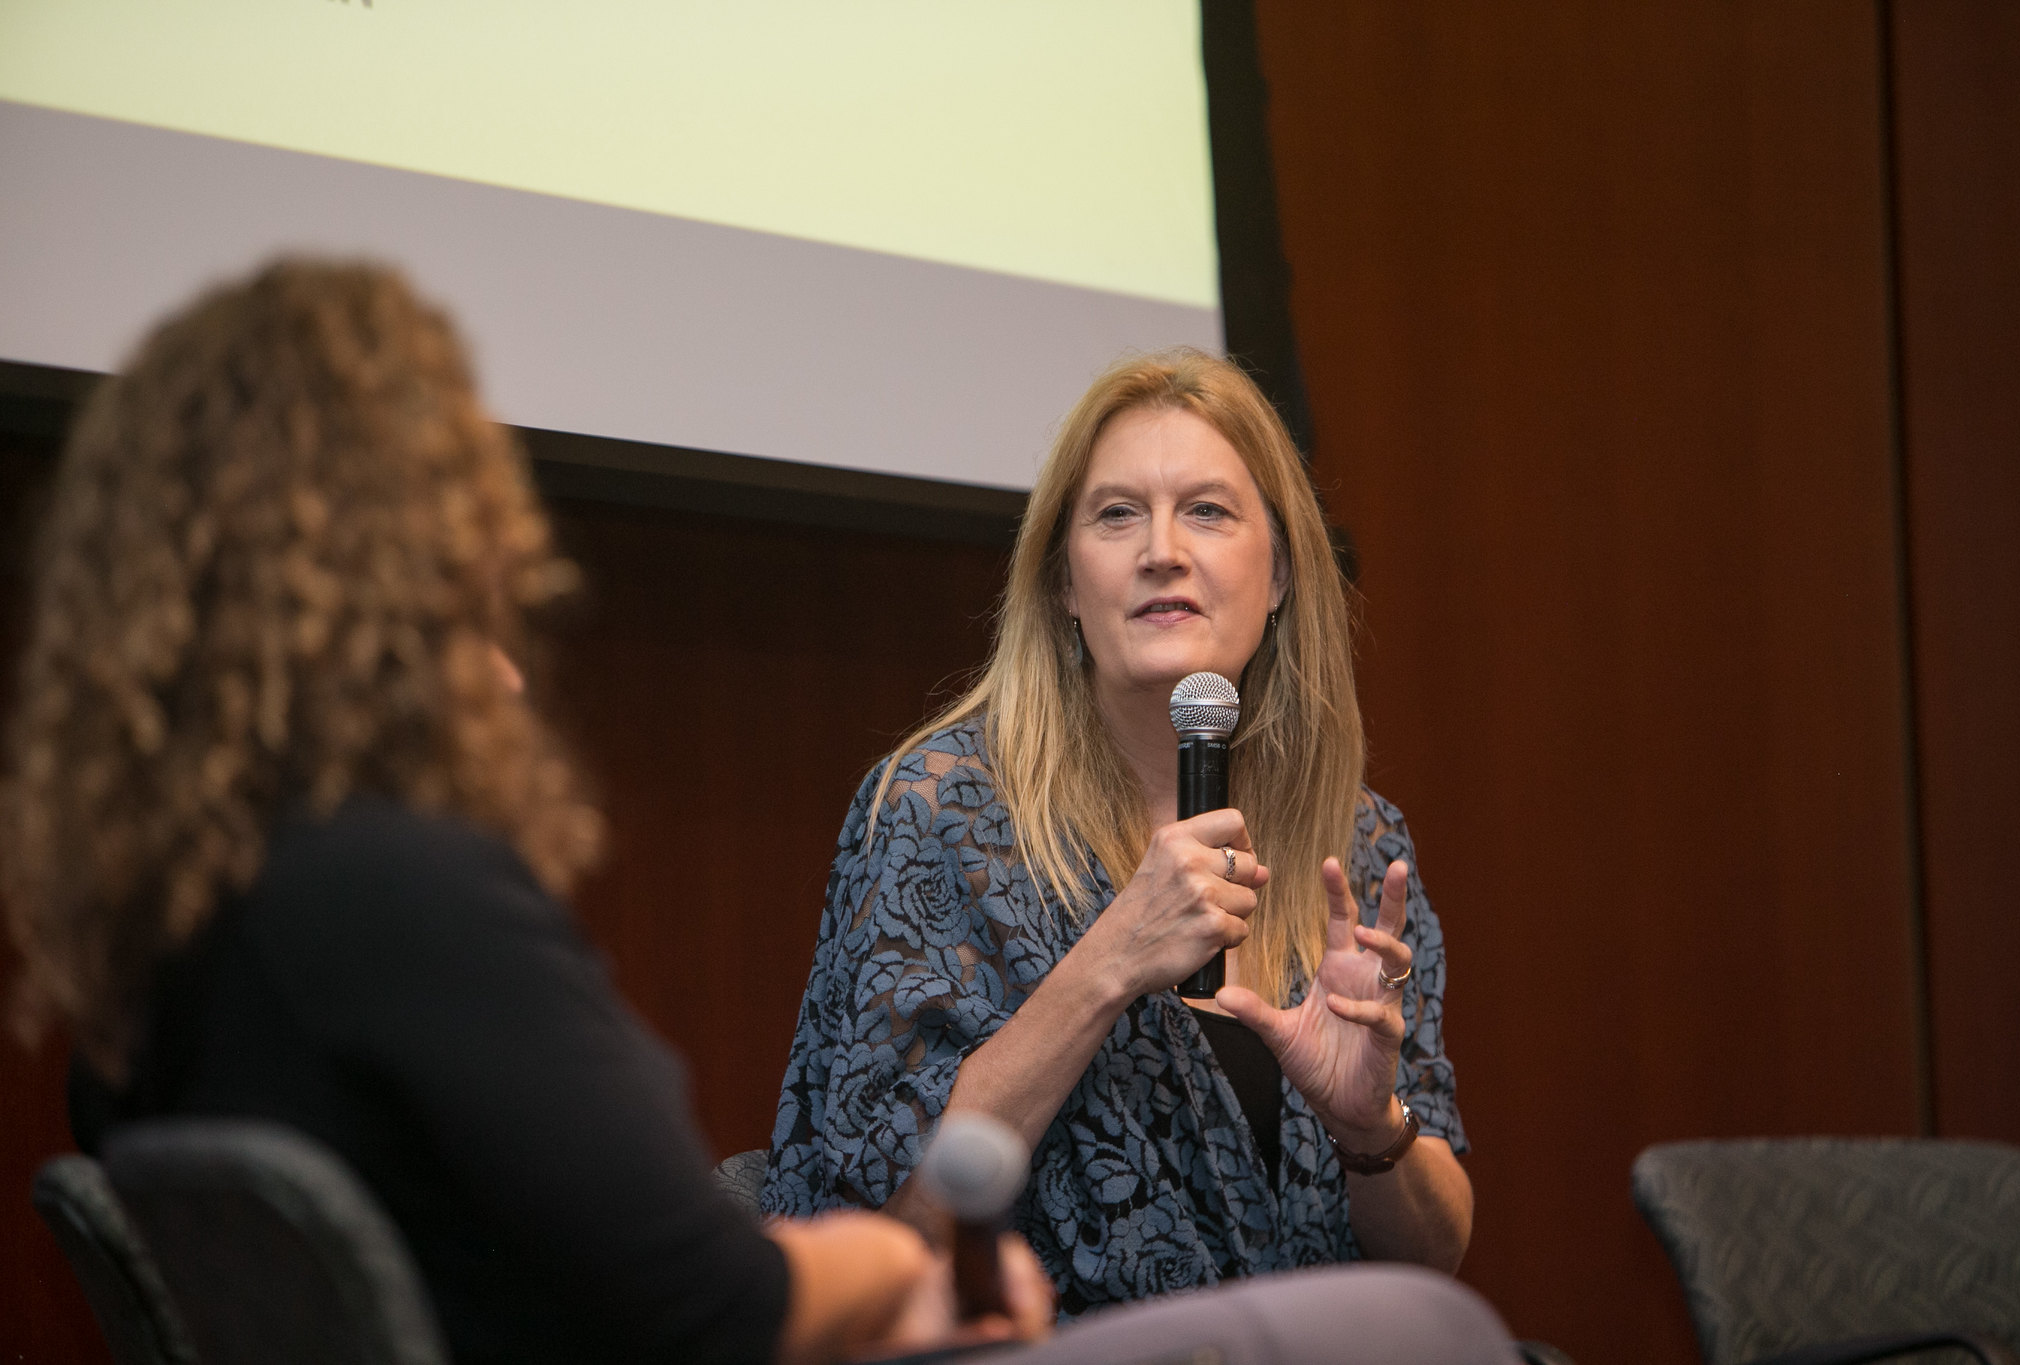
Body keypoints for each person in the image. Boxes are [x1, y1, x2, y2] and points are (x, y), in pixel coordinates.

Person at [0, 260, 1051, 1365]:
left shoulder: (159, 952)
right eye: (468, 610)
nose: (504, 673)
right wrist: (901, 1263)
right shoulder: (401, 894)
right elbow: (724, 1314)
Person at [762, 349, 1474, 1316]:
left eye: (1208, 511)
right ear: (1064, 581)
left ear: (1279, 574)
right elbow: (886, 1219)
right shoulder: (939, 814)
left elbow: (1435, 1253)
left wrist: (1369, 1127)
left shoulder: (1358, 841)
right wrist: (1108, 962)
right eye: (1117, 514)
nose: (1161, 550)